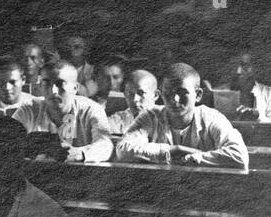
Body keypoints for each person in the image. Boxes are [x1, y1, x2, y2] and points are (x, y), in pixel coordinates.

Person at [116, 63, 249, 169]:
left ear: (198, 95)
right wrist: (174, 150)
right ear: (161, 94)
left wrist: (192, 157)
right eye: (168, 93)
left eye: (182, 92)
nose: (175, 99)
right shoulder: (151, 116)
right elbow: (123, 150)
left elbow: (239, 156)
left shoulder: (211, 118)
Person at [12, 61, 114, 163]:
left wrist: (80, 154)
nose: (54, 91)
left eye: (60, 84)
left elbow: (105, 145)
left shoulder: (91, 109)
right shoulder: (28, 110)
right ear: (40, 87)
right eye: (47, 84)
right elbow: (7, 143)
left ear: (75, 88)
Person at [107, 69, 158, 134]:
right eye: (129, 94)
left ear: (155, 95)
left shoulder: (167, 118)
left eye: (140, 93)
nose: (135, 99)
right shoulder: (119, 119)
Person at [231, 50, 271, 121]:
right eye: (240, 65)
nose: (240, 71)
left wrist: (258, 116)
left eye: (247, 65)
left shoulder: (268, 93)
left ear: (255, 68)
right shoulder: (219, 92)